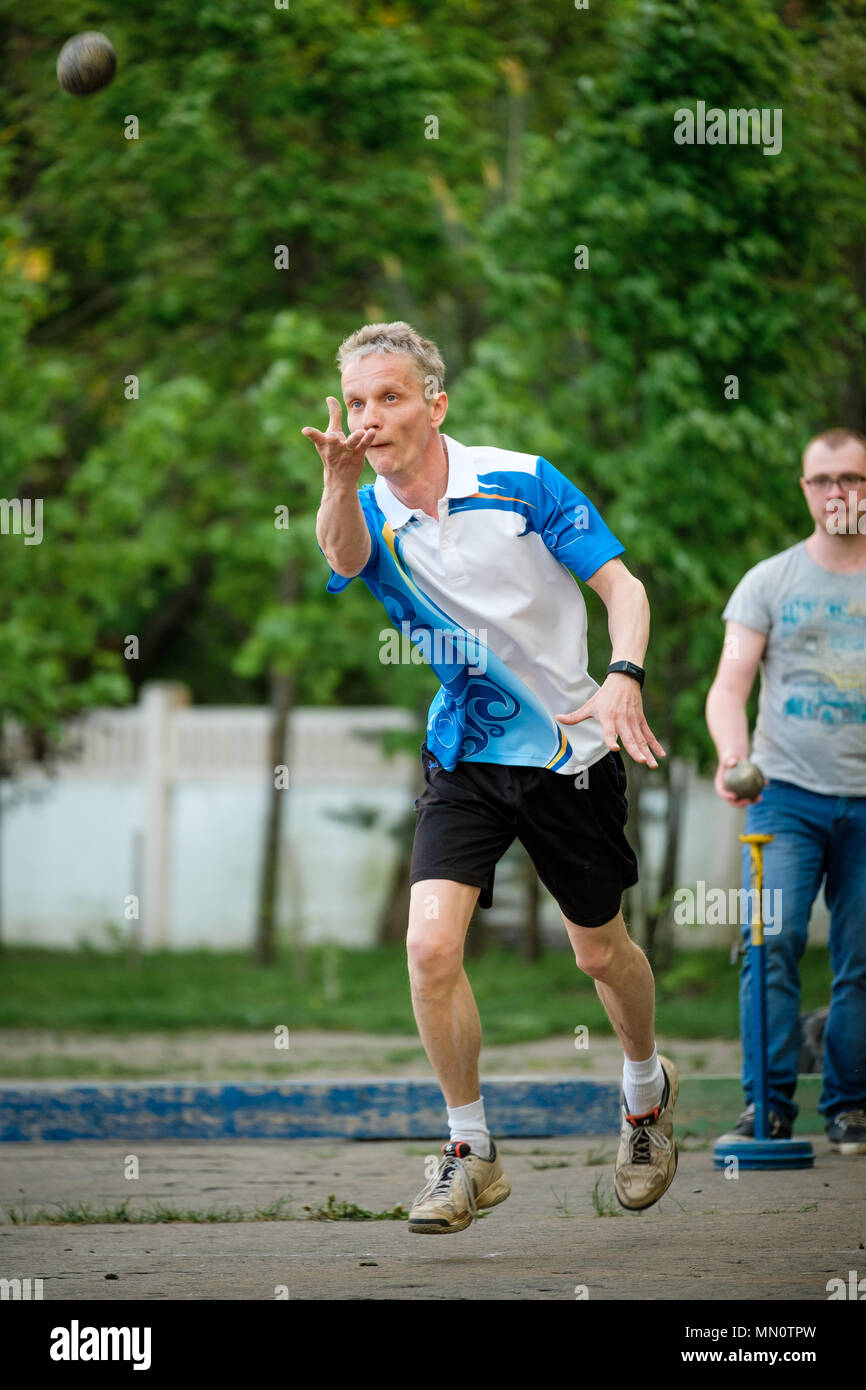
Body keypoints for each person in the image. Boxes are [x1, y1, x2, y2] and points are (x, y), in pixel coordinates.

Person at [303, 320, 676, 1232]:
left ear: (437, 403)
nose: (370, 417)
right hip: (465, 752)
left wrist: (624, 677)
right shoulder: (369, 509)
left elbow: (624, 589)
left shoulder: (520, 480)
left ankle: (644, 1092)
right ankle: (470, 1151)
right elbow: (342, 556)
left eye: (389, 397)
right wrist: (337, 483)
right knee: (430, 948)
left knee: (600, 951)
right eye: (357, 402)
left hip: (570, 752)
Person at [706, 428, 866, 1155]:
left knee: (860, 962)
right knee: (769, 945)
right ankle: (767, 1108)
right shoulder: (769, 581)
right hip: (784, 797)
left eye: (854, 479)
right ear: (805, 489)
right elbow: (730, 685)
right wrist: (732, 753)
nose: (840, 492)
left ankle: (850, 1109)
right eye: (825, 479)